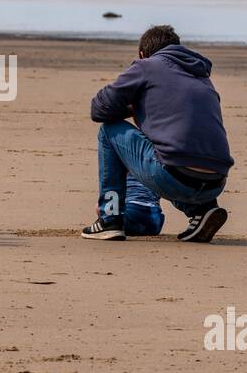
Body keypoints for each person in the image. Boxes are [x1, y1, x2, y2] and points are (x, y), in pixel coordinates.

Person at [82, 24, 233, 243]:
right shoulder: (202, 77)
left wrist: (134, 106)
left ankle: (110, 219)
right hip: (216, 182)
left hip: (173, 174)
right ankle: (202, 211)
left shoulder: (147, 66)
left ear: (143, 54)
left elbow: (99, 109)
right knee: (180, 149)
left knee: (108, 130)